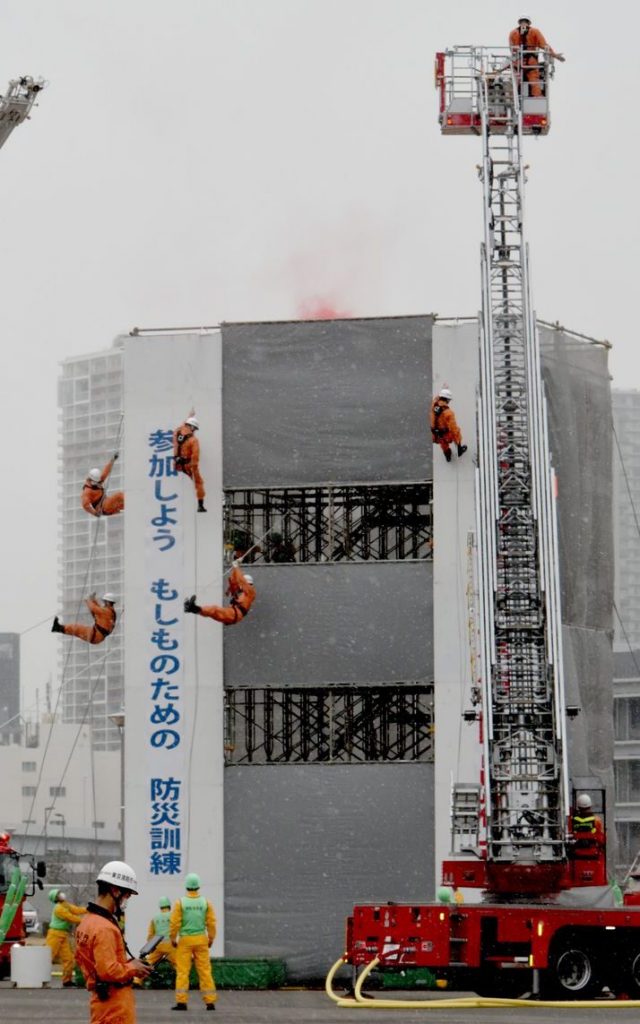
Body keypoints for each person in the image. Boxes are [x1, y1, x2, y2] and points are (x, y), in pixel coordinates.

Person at [75, 860, 151, 1024]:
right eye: (126, 896)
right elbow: (108, 971)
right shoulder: (105, 928)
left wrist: (130, 964)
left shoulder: (86, 922)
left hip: (100, 1002)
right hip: (115, 1005)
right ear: (115, 891)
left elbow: (94, 963)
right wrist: (133, 968)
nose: (126, 902)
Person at [169, 872, 217, 1011]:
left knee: (183, 972)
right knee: (205, 971)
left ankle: (181, 1002)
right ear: (198, 886)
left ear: (186, 886)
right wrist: (211, 938)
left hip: (185, 941)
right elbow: (211, 922)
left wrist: (173, 938)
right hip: (201, 940)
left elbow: (174, 923)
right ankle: (210, 1002)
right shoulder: (205, 902)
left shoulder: (180, 903)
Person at [508, 17, 565, 98]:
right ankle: (537, 99)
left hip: (517, 63)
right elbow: (544, 46)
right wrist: (555, 55)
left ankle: (514, 98)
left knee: (516, 82)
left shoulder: (513, 33)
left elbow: (511, 49)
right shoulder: (534, 31)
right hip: (531, 63)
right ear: (529, 22)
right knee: (534, 82)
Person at [184, 563, 256, 626]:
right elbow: (234, 581)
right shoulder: (241, 592)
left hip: (235, 614)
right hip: (233, 613)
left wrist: (236, 567)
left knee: (214, 610)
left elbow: (241, 581)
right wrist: (235, 568)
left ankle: (194, 608)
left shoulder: (250, 592)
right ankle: (194, 609)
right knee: (213, 612)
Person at [46, 887, 86, 987]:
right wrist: (85, 921)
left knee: (68, 959)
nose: (61, 894)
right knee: (47, 958)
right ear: (55, 898)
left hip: (63, 935)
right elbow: (71, 917)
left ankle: (66, 981)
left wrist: (88, 909)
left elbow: (76, 910)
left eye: (60, 892)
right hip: (54, 935)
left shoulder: (65, 905)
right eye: (58, 894)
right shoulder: (59, 908)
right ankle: (37, 977)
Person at [570, 793, 607, 885]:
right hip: (593, 854)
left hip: (576, 855)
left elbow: (570, 835)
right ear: (590, 806)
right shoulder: (596, 820)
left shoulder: (572, 820)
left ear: (578, 807)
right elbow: (601, 838)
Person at [52, 593, 117, 644]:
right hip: (97, 635)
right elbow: (97, 611)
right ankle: (59, 628)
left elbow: (94, 608)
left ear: (108, 602)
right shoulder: (109, 611)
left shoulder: (107, 612)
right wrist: (93, 600)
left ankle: (58, 628)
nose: (104, 603)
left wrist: (88, 600)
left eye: (105, 602)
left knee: (76, 628)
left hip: (96, 635)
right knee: (76, 629)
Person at [174, 414, 206, 512]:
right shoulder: (193, 440)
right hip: (188, 466)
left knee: (179, 485)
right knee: (199, 483)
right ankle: (200, 505)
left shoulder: (176, 432)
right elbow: (195, 456)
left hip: (177, 465)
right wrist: (194, 468)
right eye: (194, 428)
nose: (194, 430)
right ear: (191, 427)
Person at [430, 388, 467, 463]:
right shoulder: (448, 413)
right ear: (447, 400)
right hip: (445, 433)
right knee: (457, 431)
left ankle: (447, 455)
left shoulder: (434, 405)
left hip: (436, 432)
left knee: (443, 444)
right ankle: (459, 449)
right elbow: (453, 428)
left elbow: (436, 399)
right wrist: (456, 439)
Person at [145, 896, 177, 969]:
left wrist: (150, 946)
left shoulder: (155, 918)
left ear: (160, 907)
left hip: (158, 945)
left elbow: (150, 934)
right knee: (179, 966)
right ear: (169, 906)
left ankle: (136, 980)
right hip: (170, 945)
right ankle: (182, 980)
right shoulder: (173, 916)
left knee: (147, 963)